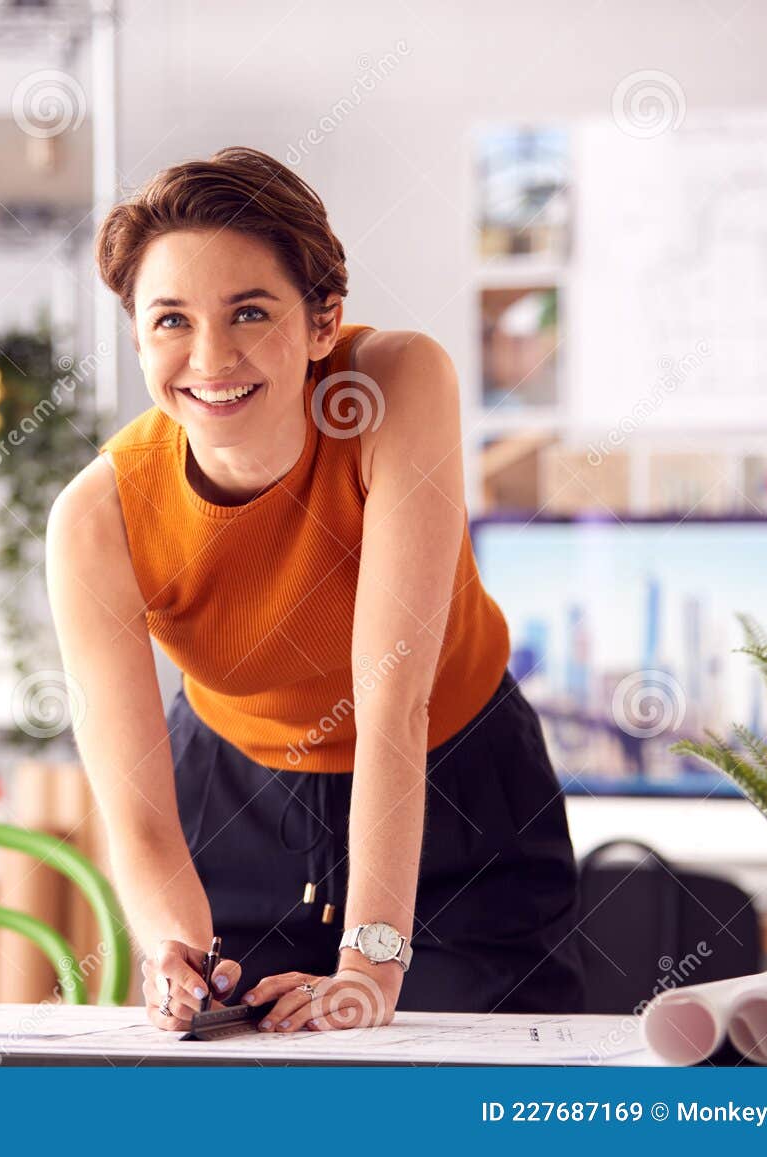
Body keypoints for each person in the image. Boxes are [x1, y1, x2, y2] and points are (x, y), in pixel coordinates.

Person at [46, 146, 584, 1034]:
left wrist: (371, 962)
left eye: (250, 312)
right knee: (234, 1060)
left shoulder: (395, 386)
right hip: (232, 794)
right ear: (138, 336)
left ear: (323, 320)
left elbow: (392, 700)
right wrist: (172, 949)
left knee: (484, 1066)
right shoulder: (96, 519)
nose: (210, 357)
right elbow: (135, 805)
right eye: (170, 320)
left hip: (456, 784)